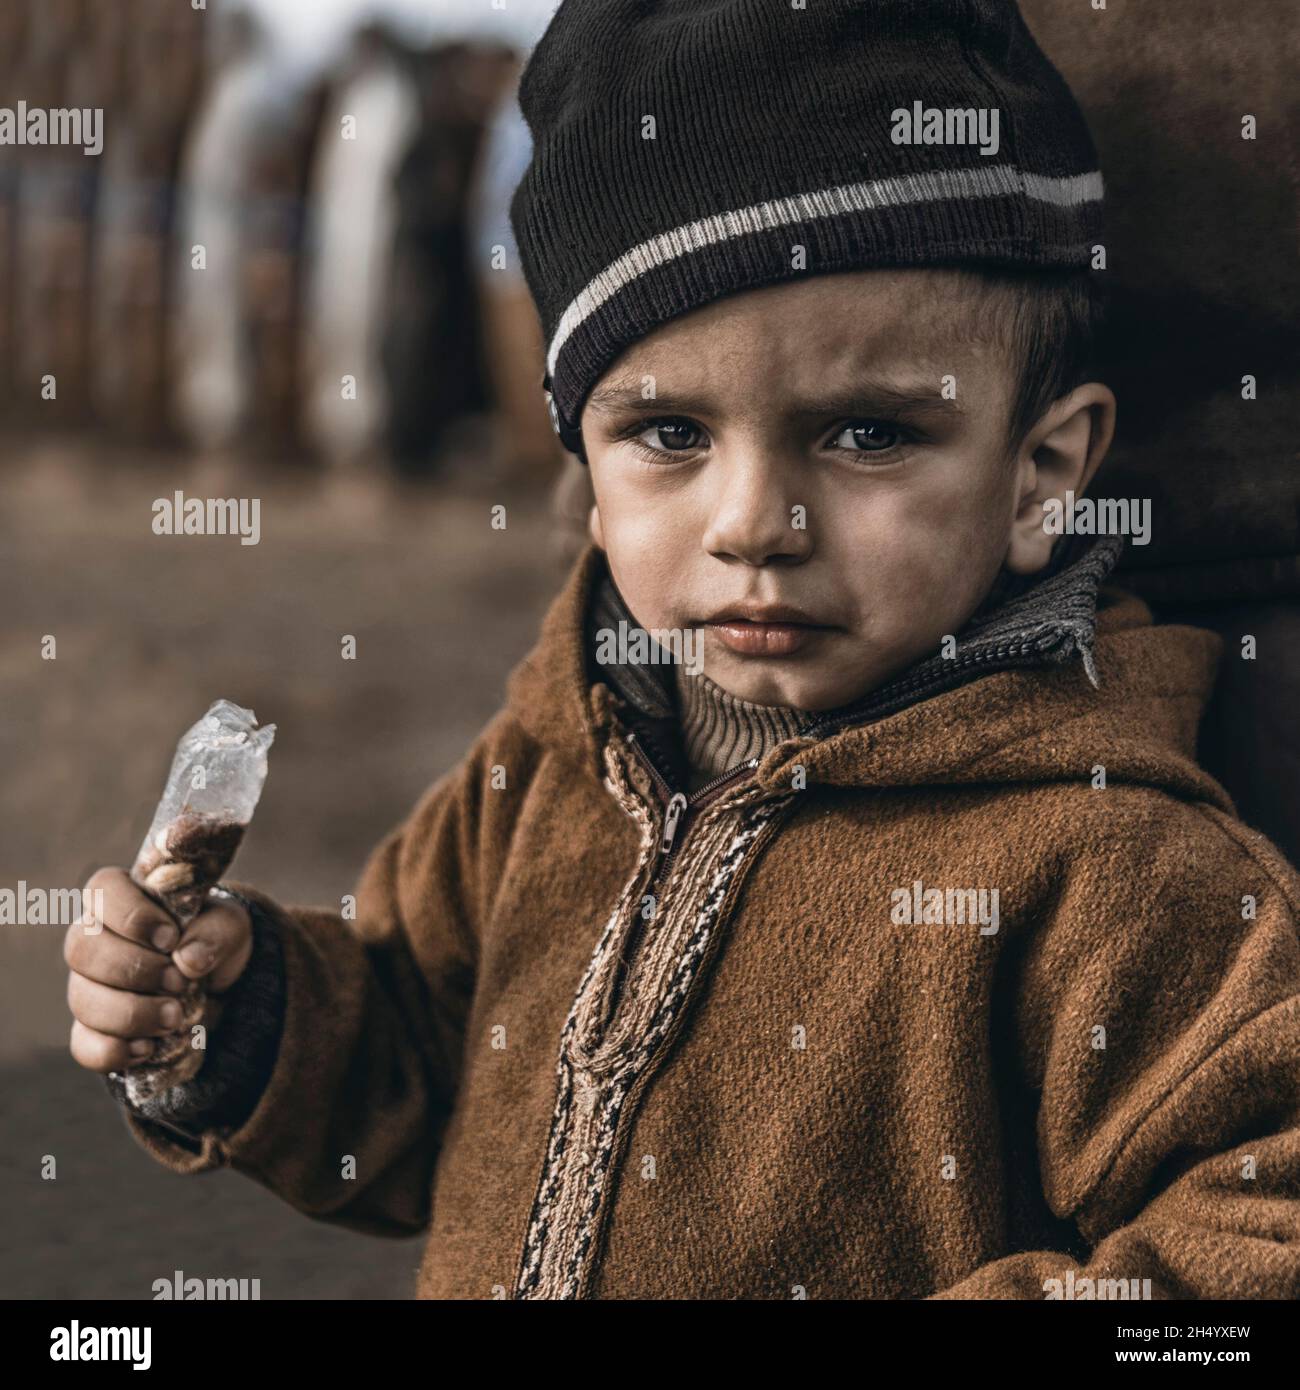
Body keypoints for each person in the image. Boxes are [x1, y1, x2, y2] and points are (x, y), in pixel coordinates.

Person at [65, 0, 1300, 1299]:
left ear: (1042, 474)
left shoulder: (1113, 868)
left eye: (869, 434)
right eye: (667, 434)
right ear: (584, 475)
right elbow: (415, 1074)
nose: (754, 523)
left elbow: (1261, 1217)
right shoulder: (544, 770)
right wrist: (240, 1012)